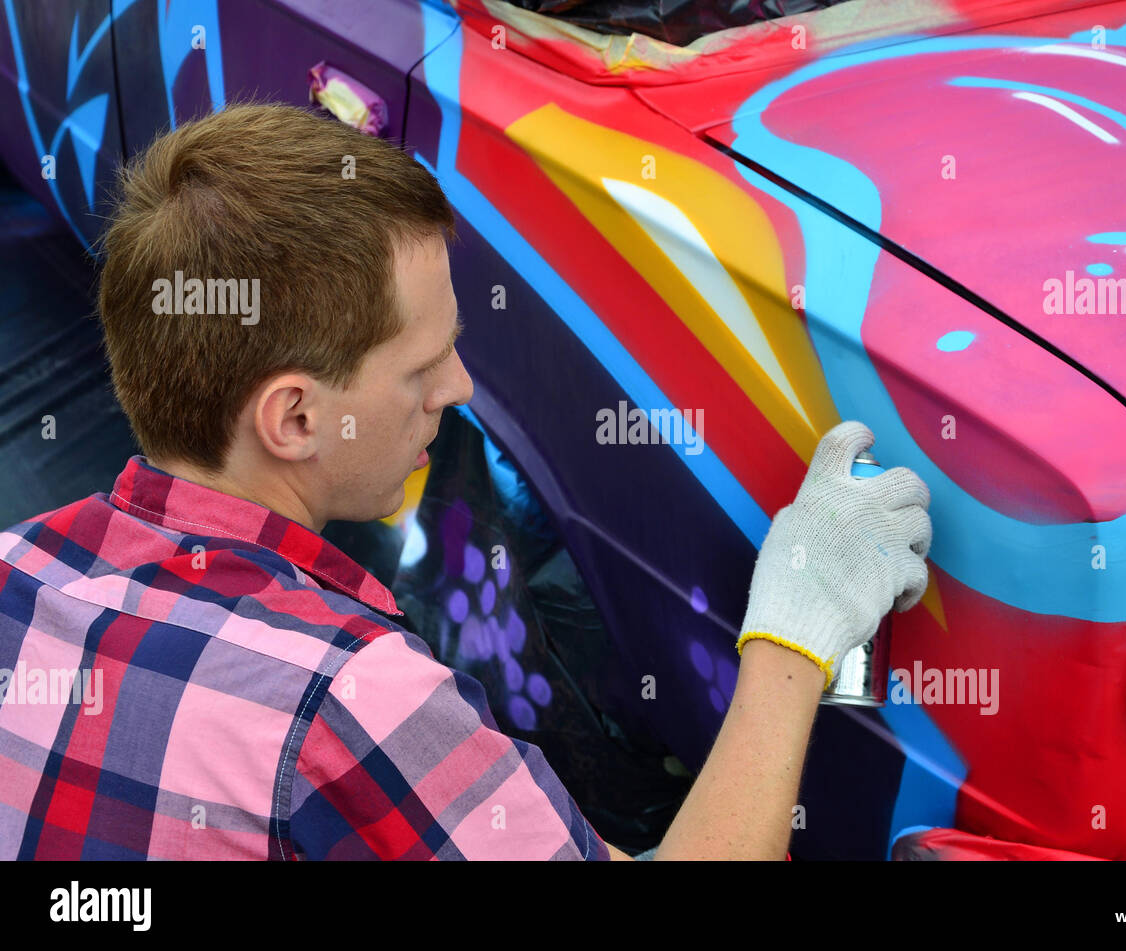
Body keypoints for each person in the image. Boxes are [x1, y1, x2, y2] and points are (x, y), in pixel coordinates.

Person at [0, 104, 931, 860]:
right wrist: (793, 641)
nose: (460, 389)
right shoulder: (352, 706)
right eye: (424, 365)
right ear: (293, 419)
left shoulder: (17, 569)